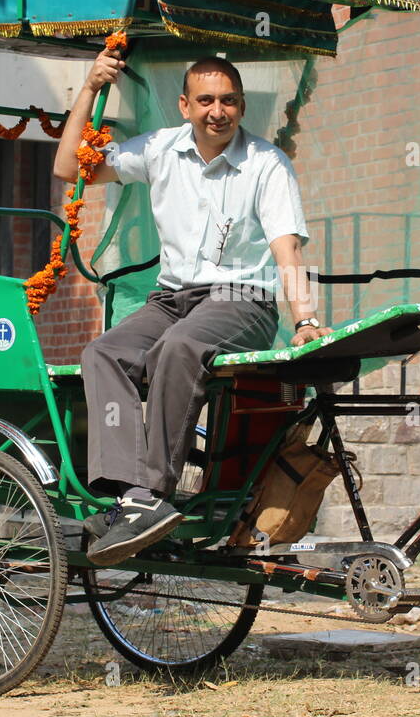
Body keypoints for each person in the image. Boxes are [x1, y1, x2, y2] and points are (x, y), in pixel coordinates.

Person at [52, 48, 333, 566]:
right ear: (185, 105)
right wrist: (90, 87)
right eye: (205, 100)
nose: (217, 111)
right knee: (103, 353)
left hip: (240, 301)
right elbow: (69, 166)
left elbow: (286, 248)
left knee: (179, 349)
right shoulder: (160, 149)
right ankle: (127, 496)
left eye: (228, 101)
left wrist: (306, 320)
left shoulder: (266, 164)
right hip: (171, 298)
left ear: (242, 106)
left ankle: (153, 496)